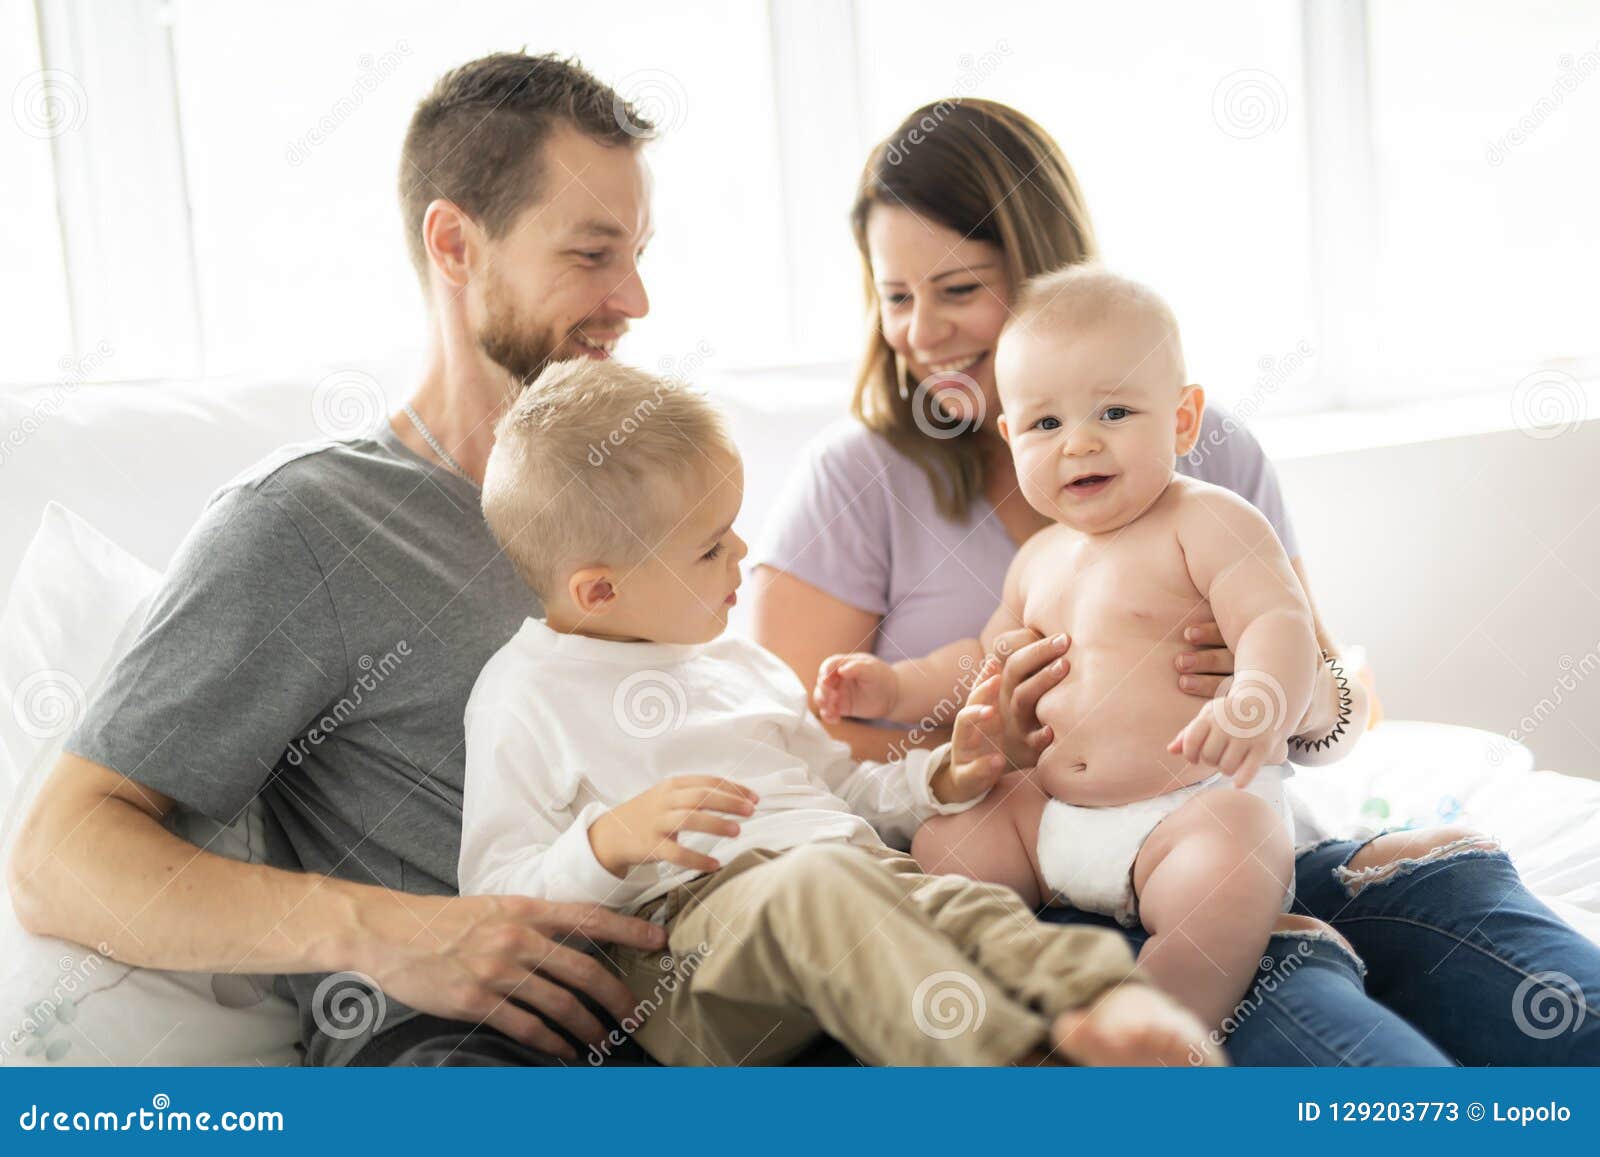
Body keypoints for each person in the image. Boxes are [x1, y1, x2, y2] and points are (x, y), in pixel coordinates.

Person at [750, 99, 1600, 1064]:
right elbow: (795, 756)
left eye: (957, 289)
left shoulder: (1204, 460)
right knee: (1374, 1071)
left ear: (1045, 276)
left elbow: (1332, 704)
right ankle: (1167, 1020)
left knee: (1523, 965)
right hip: (1055, 883)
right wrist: (954, 721)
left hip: (1230, 833)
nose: (923, 332)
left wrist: (1280, 694)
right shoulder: (859, 478)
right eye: (894, 296)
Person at [8, 53, 673, 1067]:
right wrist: (389, 932)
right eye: (591, 255)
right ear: (455, 244)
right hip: (476, 1052)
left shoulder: (643, 495)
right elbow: (61, 856)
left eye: (637, 252)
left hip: (709, 997)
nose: (633, 297)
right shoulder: (312, 521)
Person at [458, 357, 1219, 1066]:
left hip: (855, 877)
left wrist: (946, 774)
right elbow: (494, 902)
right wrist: (605, 843)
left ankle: (1118, 1015)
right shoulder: (523, 693)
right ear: (599, 590)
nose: (744, 553)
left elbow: (846, 791)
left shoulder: (738, 663)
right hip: (687, 949)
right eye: (709, 547)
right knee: (824, 886)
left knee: (967, 904)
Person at [816, 265, 1323, 1029]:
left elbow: (1277, 621)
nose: (1079, 442)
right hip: (1051, 817)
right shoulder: (1039, 559)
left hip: (1184, 812)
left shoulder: (1209, 522)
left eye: (1114, 411)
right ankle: (978, 1004)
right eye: (1046, 425)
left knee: (1238, 858)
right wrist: (892, 690)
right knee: (950, 837)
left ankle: (1159, 1026)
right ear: (1011, 436)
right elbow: (982, 659)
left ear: (1183, 421)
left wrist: (1257, 698)